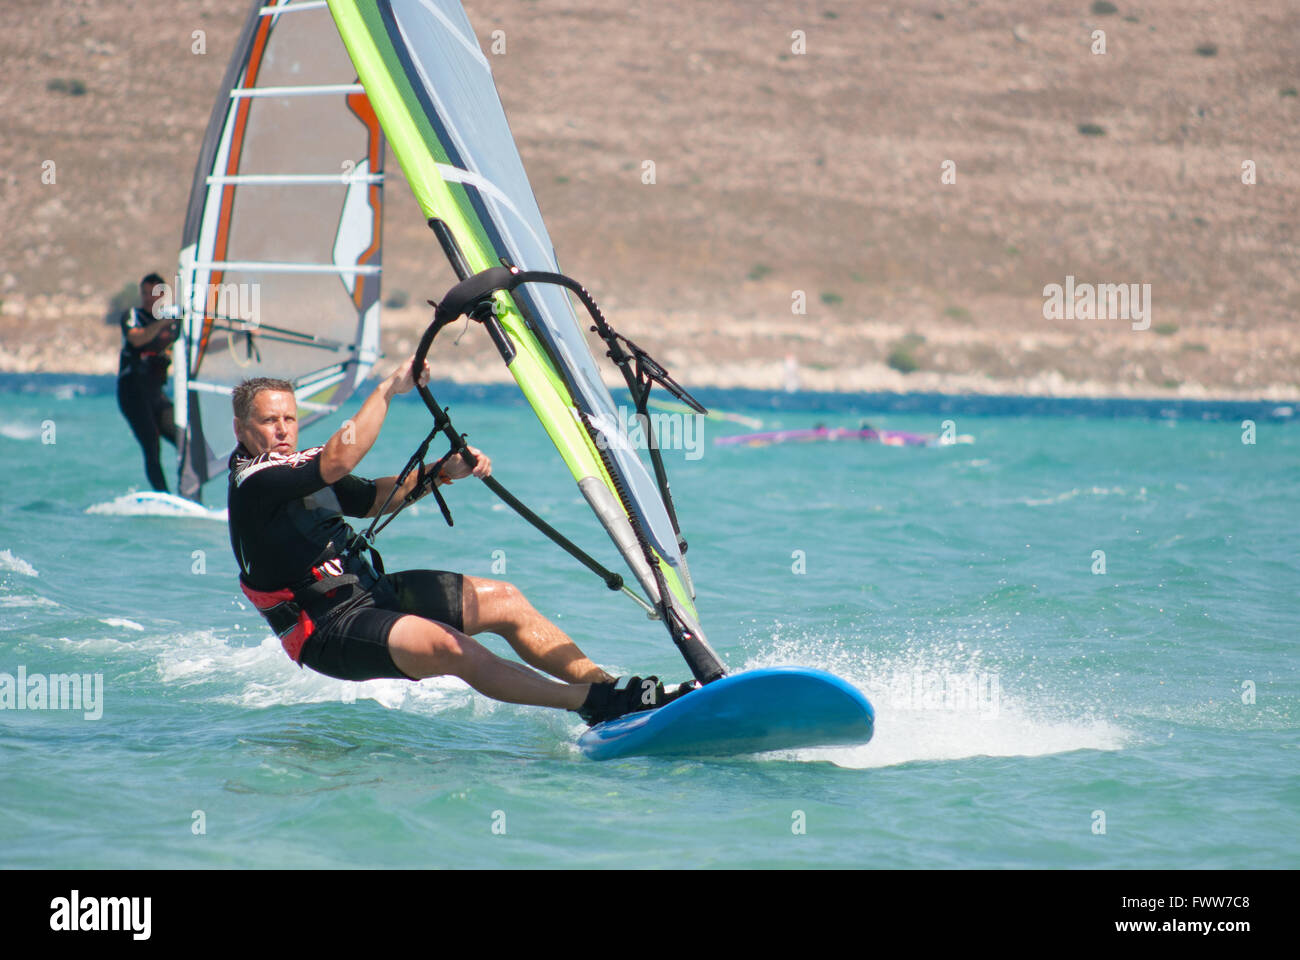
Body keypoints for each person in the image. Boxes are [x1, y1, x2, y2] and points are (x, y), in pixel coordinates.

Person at [226, 358, 694, 725]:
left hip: (369, 593)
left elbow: (370, 498)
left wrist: (440, 473)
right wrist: (387, 389)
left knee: (506, 601)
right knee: (452, 649)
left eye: (289, 418)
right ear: (241, 429)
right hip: (326, 629)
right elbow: (338, 460)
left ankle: (620, 696)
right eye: (270, 421)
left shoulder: (296, 468)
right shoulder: (255, 481)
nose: (283, 430)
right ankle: (591, 703)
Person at [117, 273, 179, 491]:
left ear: (163, 295)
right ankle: (164, 495)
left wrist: (240, 336)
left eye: (152, 294)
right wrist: (163, 323)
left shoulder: (173, 324)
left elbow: (202, 344)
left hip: (155, 393)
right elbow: (136, 338)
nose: (146, 298)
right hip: (132, 392)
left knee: (184, 439)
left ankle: (189, 491)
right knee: (151, 443)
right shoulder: (132, 315)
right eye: (143, 293)